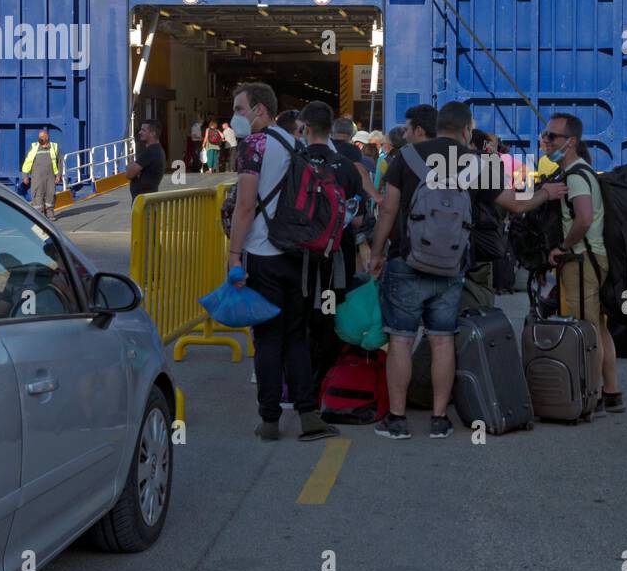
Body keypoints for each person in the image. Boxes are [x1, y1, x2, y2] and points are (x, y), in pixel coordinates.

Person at [369, 102, 564, 440]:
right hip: (451, 265)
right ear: (465, 131)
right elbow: (516, 204)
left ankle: (397, 421)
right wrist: (546, 192)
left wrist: (375, 253)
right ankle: (439, 420)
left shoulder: (407, 157)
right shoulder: (476, 163)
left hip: (406, 260)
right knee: (443, 341)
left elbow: (388, 210)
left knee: (400, 340)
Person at [227, 81, 337, 444]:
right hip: (298, 254)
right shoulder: (294, 142)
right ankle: (308, 415)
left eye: (240, 110)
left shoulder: (254, 146)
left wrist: (233, 255)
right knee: (297, 337)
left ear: (259, 109)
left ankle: (270, 420)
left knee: (268, 339)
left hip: (263, 254)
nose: (235, 118)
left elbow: (245, 206)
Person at [540, 113, 625, 413]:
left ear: (571, 142)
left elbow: (584, 218)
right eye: (545, 135)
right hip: (594, 257)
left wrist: (562, 247)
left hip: (581, 259)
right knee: (598, 326)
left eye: (552, 137)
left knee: (586, 330)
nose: (545, 141)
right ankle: (611, 391)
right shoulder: (585, 171)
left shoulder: (575, 175)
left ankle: (593, 395)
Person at [297, 101, 366, 384]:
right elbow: (359, 220)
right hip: (335, 261)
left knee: (300, 321)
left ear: (306, 128)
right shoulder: (347, 167)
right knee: (329, 318)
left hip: (298, 261)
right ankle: (326, 382)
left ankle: (298, 386)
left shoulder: (295, 161)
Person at [22, 130, 60, 221]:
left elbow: (60, 162)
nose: (40, 138)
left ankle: (50, 214)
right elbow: (27, 162)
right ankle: (39, 216)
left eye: (42, 137)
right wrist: (25, 176)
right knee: (38, 195)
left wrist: (58, 175)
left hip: (50, 176)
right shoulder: (34, 147)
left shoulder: (54, 147)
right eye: (39, 137)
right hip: (37, 177)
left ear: (47, 137)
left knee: (50, 194)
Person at [126, 119, 166, 200]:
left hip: (144, 203)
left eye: (143, 130)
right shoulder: (158, 150)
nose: (140, 132)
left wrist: (132, 166)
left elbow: (129, 173)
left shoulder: (150, 152)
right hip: (148, 200)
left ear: (152, 133)